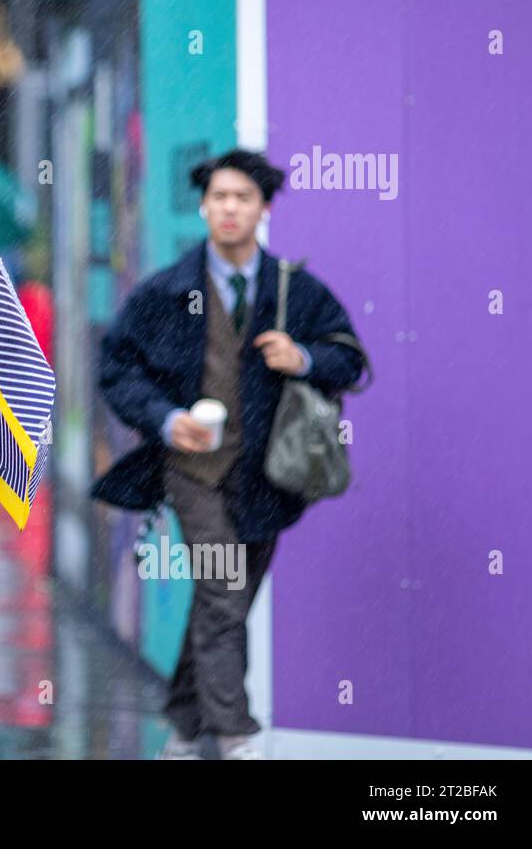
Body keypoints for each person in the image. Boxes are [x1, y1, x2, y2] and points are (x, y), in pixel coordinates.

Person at [92, 149, 366, 760]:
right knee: (223, 587)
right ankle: (236, 734)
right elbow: (116, 368)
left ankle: (185, 728)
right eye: (219, 197)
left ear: (264, 209)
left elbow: (350, 357)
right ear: (203, 206)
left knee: (228, 595)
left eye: (243, 197)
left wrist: (305, 360)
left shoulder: (296, 291)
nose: (230, 208)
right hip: (192, 471)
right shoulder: (167, 291)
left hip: (269, 475)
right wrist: (166, 419)